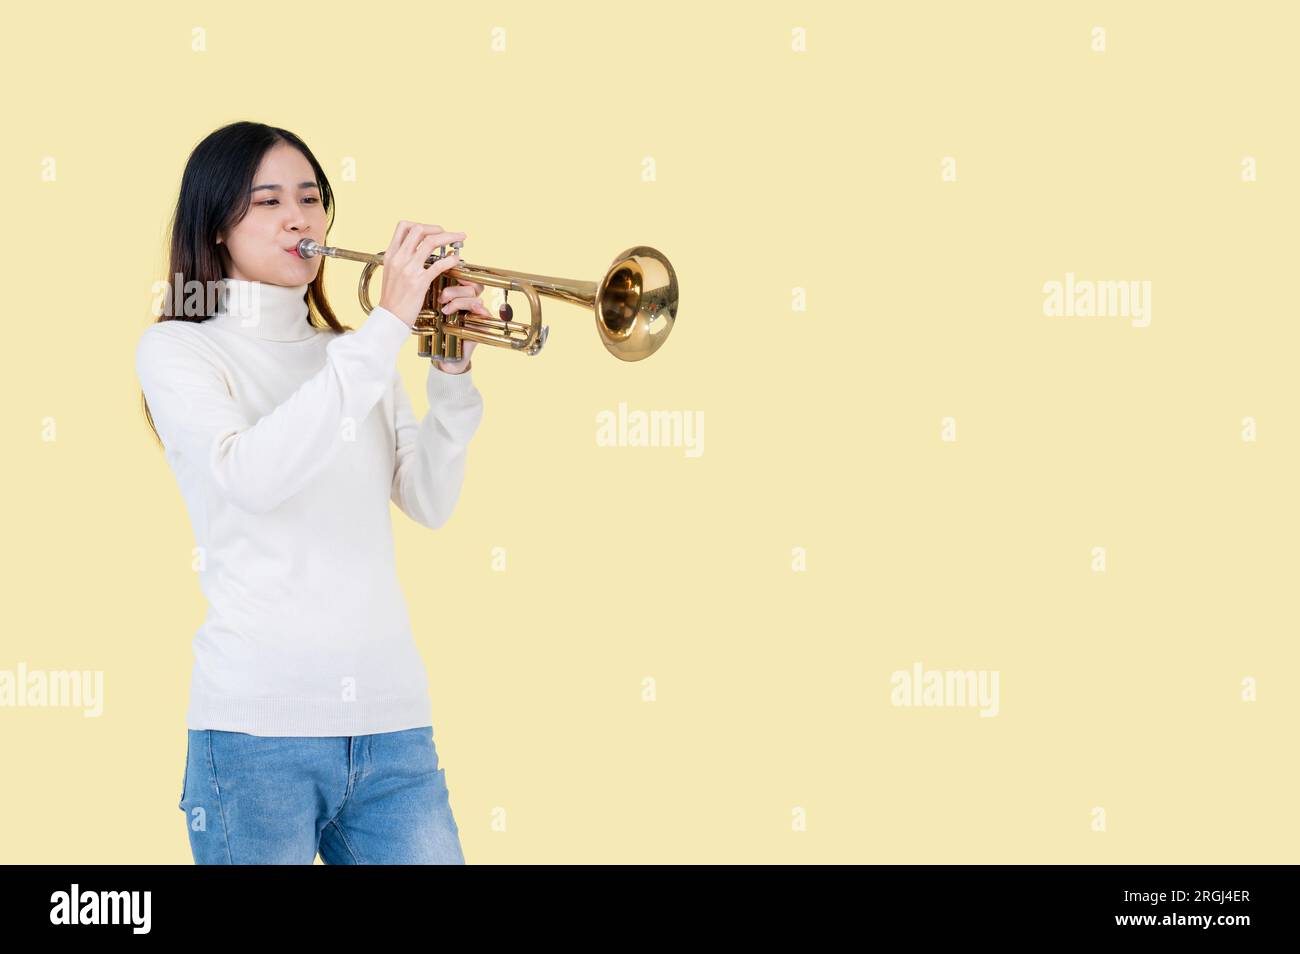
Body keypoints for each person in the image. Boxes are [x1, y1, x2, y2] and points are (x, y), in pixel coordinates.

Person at [135, 121, 488, 864]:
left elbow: (429, 500)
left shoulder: (353, 355)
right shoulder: (178, 350)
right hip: (255, 738)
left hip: (394, 730)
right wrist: (387, 324)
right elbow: (252, 477)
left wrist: (450, 374)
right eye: (267, 202)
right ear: (217, 228)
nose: (299, 217)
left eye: (310, 197)